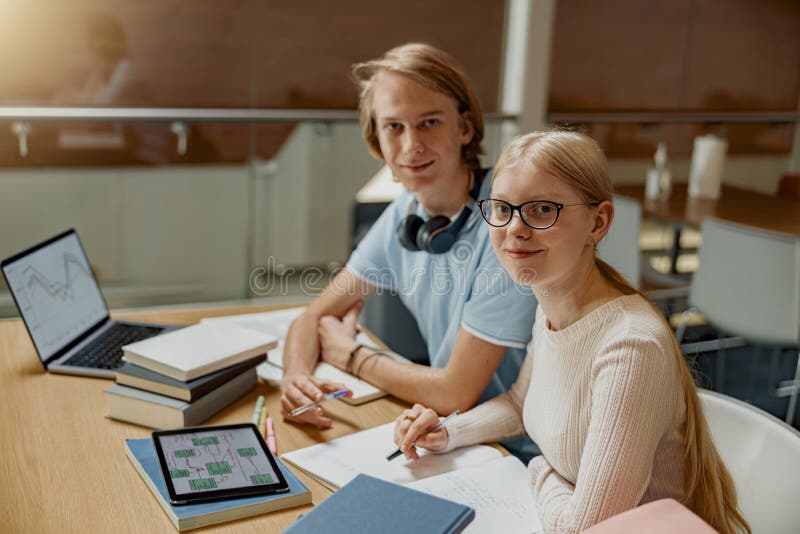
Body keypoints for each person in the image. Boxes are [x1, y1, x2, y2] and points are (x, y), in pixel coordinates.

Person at [393, 131, 750, 534]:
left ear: (597, 223)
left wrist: (539, 467)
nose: (515, 229)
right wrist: (447, 431)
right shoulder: (550, 307)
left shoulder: (630, 346)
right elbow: (519, 403)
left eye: (543, 209)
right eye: (502, 209)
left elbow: (583, 528)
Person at [279, 43, 538, 461]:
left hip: (522, 453)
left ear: (465, 129)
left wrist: (353, 357)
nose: (411, 145)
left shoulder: (507, 223)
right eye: (393, 127)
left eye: (429, 122)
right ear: (376, 139)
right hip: (452, 435)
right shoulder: (407, 214)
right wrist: (296, 379)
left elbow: (456, 389)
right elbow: (316, 314)